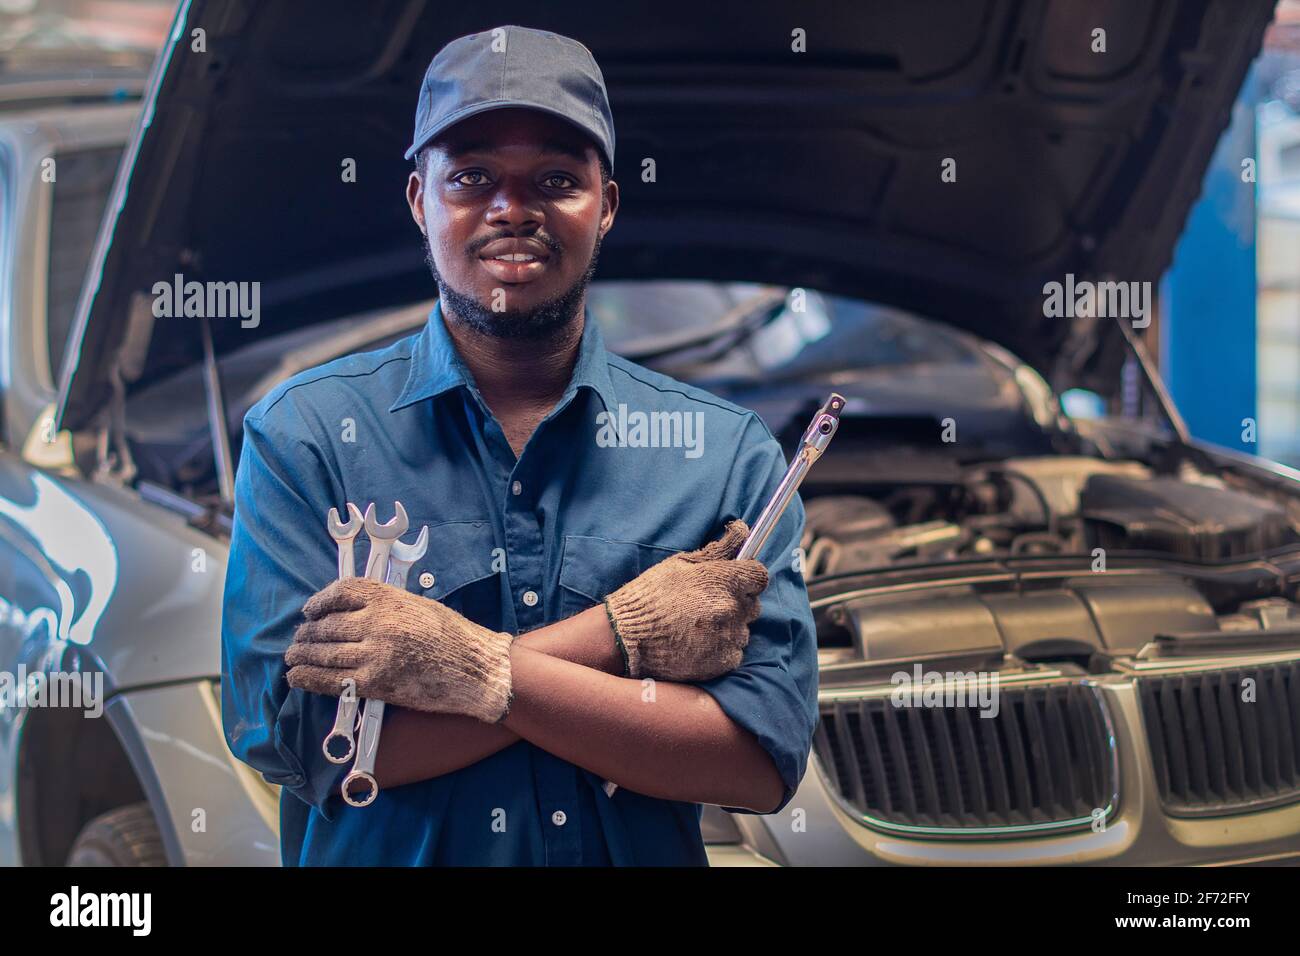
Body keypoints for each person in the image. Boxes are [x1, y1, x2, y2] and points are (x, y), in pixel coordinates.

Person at [221, 24, 818, 866]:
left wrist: (459, 674)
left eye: (555, 179)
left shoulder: (725, 456)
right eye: (470, 177)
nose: (512, 208)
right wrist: (618, 637)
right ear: (419, 200)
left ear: (605, 205)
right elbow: (306, 744)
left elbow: (758, 759)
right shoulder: (306, 437)